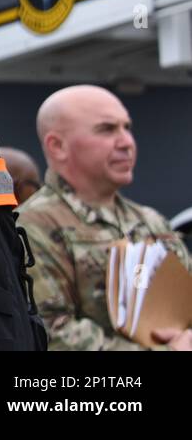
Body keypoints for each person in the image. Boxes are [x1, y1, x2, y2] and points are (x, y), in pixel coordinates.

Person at [18, 85, 192, 350]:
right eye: (107, 129)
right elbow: (51, 332)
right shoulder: (32, 226)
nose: (126, 142)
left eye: (127, 127)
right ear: (58, 146)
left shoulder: (151, 221)